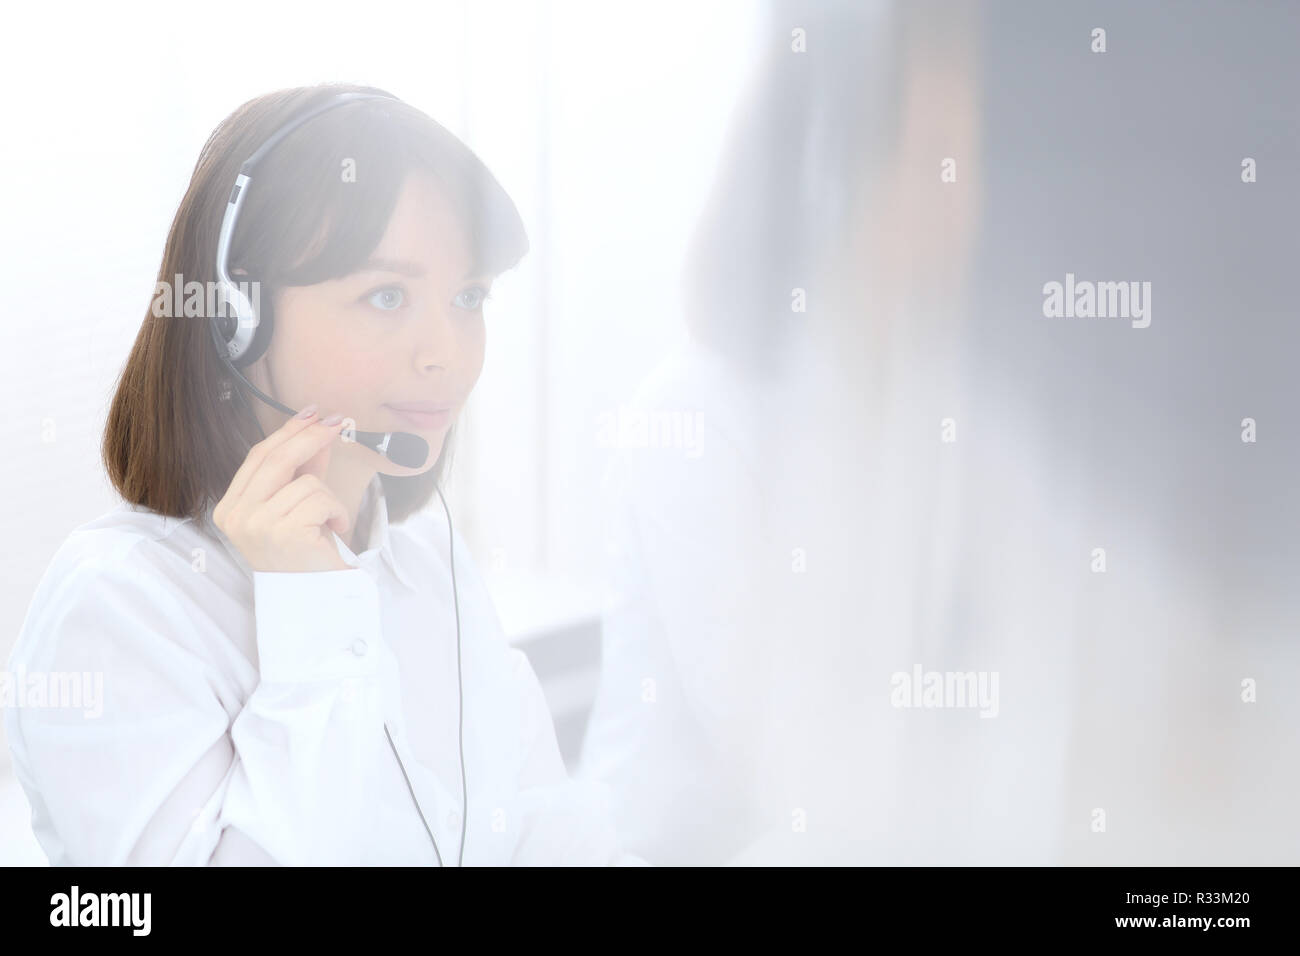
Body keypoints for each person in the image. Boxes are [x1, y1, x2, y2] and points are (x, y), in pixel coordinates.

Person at [5, 83, 644, 866]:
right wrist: (309, 609)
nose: (446, 351)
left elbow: (553, 836)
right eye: (386, 295)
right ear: (236, 318)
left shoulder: (430, 568)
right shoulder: (121, 609)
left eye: (468, 296)